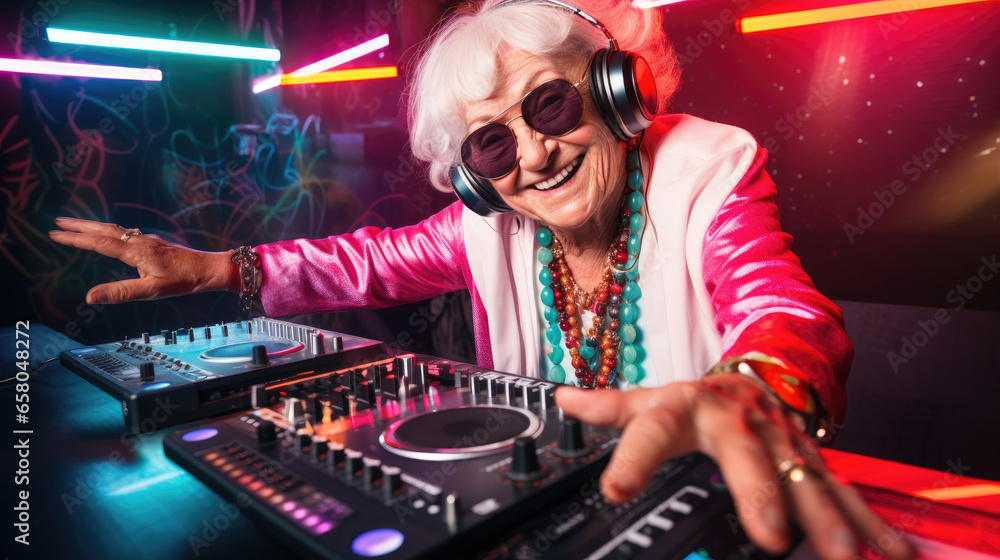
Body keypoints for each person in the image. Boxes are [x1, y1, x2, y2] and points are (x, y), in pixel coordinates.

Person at [48, 1, 915, 558]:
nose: (533, 155)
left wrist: (752, 387)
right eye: (494, 143)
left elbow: (781, 305)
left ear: (616, 91)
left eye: (549, 105)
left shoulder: (705, 170)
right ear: (474, 175)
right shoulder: (491, 223)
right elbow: (370, 262)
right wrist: (219, 268)